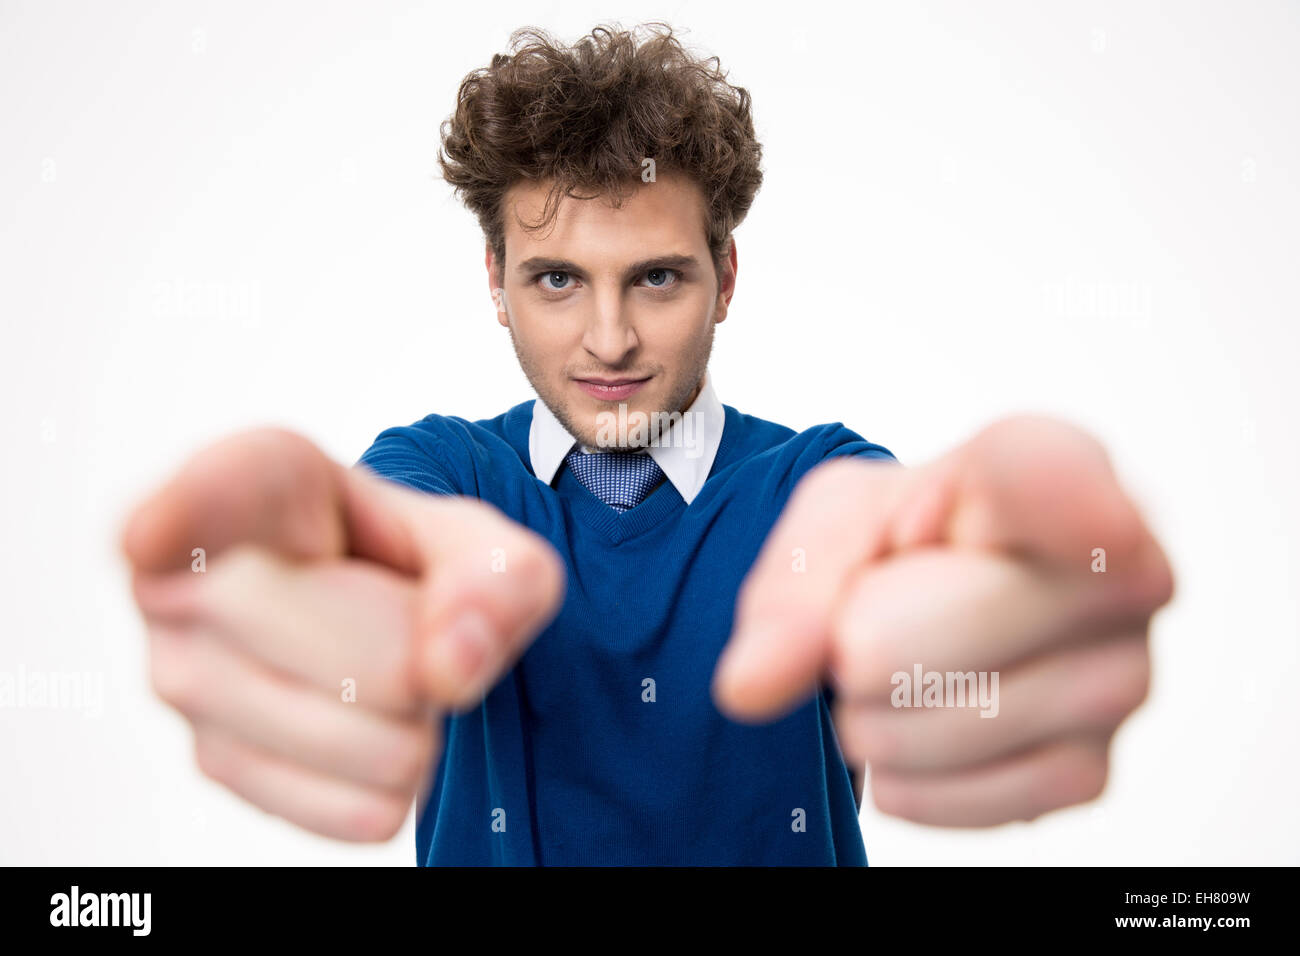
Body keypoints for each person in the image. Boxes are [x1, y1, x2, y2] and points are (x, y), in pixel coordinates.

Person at [121, 22, 1174, 866]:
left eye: (657, 277)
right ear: (495, 282)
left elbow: (888, 536)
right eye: (557, 279)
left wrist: (979, 590)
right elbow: (390, 528)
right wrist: (334, 578)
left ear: (727, 272)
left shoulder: (818, 480)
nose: (610, 338)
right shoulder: (442, 470)